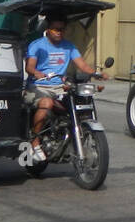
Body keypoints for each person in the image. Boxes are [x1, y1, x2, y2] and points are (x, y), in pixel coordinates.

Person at [24, 16, 108, 161]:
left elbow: (83, 66)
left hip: (60, 87)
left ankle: (71, 136)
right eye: (56, 29)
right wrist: (36, 72)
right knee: (47, 103)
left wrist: (97, 74)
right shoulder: (37, 45)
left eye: (62, 29)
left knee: (79, 101)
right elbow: (30, 66)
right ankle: (35, 141)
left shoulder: (69, 46)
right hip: (39, 85)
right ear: (47, 30)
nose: (59, 32)